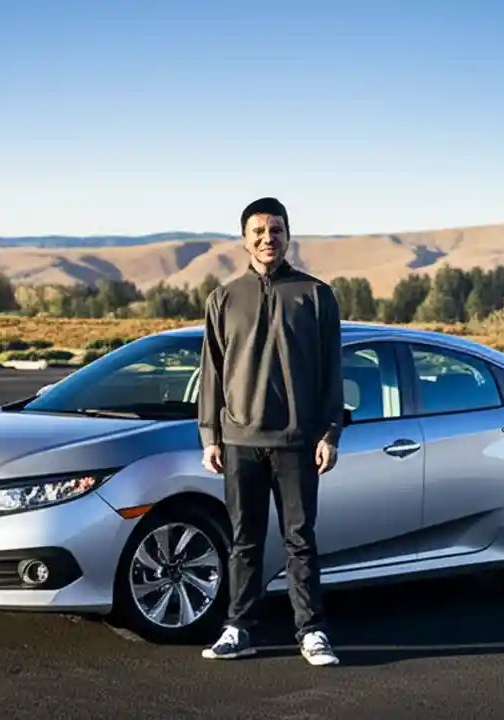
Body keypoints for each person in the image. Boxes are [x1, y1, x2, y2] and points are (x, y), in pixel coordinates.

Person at [197, 196, 343, 667]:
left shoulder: (316, 295)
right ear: (244, 239)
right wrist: (210, 436)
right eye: (258, 231)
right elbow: (212, 373)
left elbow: (332, 372)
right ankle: (238, 627)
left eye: (275, 230)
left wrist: (330, 433)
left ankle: (312, 632)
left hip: (298, 442)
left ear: (287, 235)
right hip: (240, 443)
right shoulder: (222, 300)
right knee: (245, 540)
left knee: (300, 539)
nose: (267, 239)